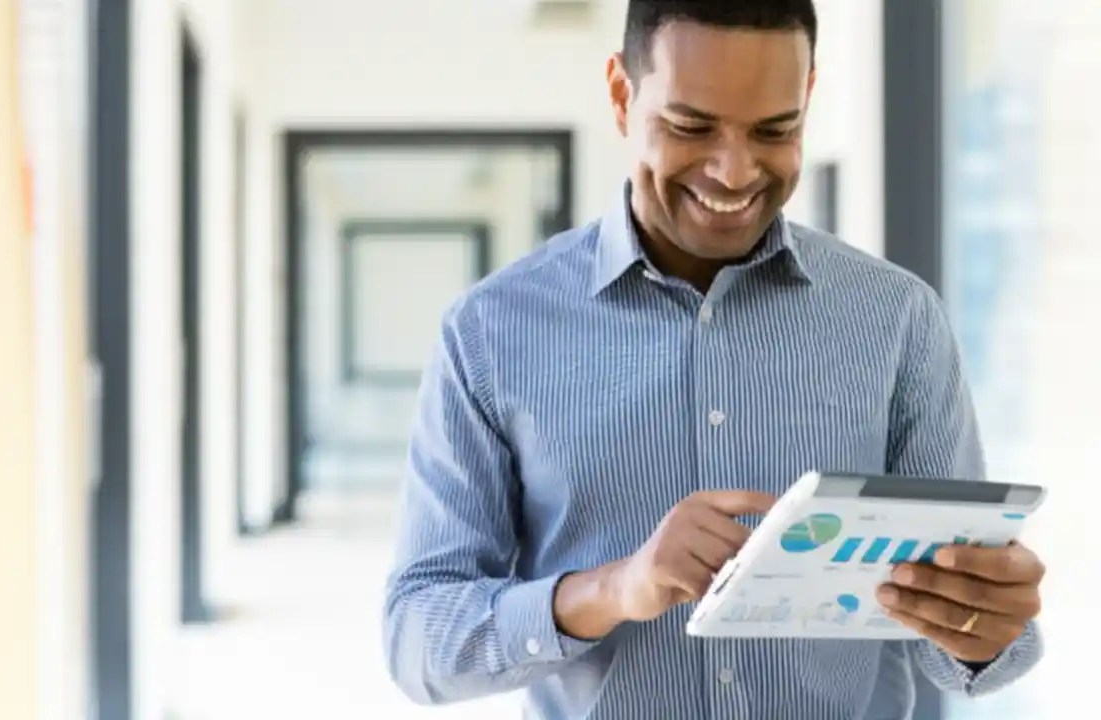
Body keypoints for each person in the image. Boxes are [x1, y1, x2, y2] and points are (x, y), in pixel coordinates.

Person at [381, 1, 1046, 717]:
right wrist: (612, 589)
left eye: (774, 130)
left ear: (808, 97)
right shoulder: (490, 332)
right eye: (691, 127)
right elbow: (420, 641)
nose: (734, 172)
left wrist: (984, 623)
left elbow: (971, 648)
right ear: (621, 95)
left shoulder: (898, 319)